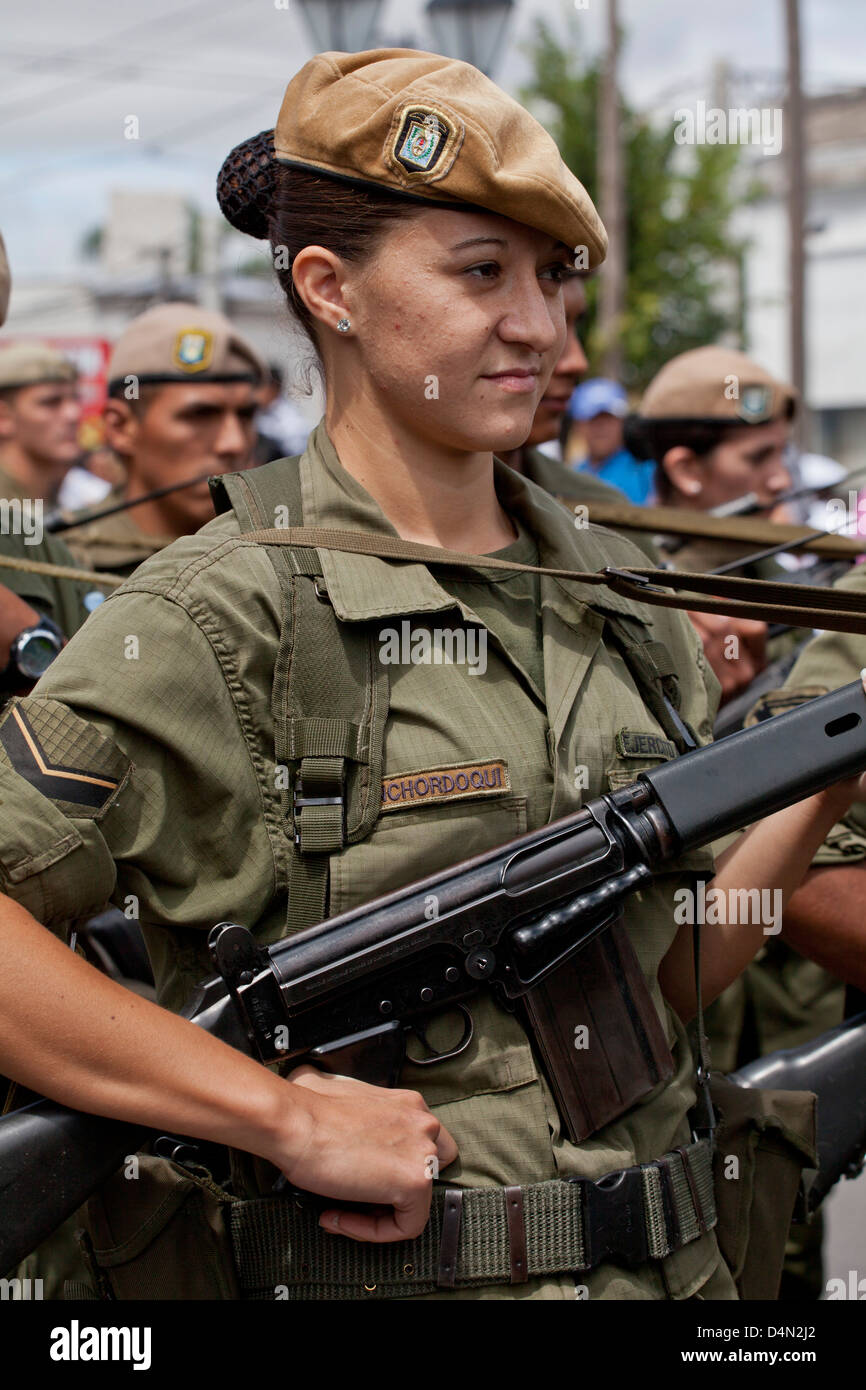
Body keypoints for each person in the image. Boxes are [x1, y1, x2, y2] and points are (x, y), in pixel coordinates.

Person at [0, 47, 861, 1301]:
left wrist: (820, 771)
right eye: (478, 273)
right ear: (329, 288)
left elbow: (657, 986)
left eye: (552, 277)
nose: (538, 324)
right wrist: (275, 1115)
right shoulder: (221, 612)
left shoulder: (619, 596)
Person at [62, 303, 266, 579]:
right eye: (200, 415)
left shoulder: (277, 555)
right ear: (120, 427)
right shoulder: (63, 562)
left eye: (246, 415)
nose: (234, 443)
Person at [0, 342, 81, 507]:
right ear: (4, 417)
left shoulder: (76, 499)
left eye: (75, 398)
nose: (73, 414)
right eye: (50, 402)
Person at [567, 376, 655, 504]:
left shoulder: (646, 469)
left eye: (609, 418)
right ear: (578, 425)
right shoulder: (572, 474)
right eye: (593, 419)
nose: (602, 427)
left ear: (623, 422)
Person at [254, 361, 311, 463]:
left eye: (259, 386)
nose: (255, 392)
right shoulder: (257, 411)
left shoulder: (289, 420)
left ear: (273, 388)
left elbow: (295, 454)